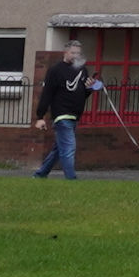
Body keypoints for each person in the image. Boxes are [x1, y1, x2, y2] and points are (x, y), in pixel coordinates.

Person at [32, 42, 92, 177]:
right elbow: (47, 93)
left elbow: (83, 94)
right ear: (66, 53)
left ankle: (40, 174)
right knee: (69, 148)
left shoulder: (82, 70)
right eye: (73, 53)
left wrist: (90, 89)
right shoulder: (55, 70)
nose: (76, 56)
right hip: (62, 115)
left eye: (78, 53)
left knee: (59, 149)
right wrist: (40, 117)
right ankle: (71, 179)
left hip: (75, 116)